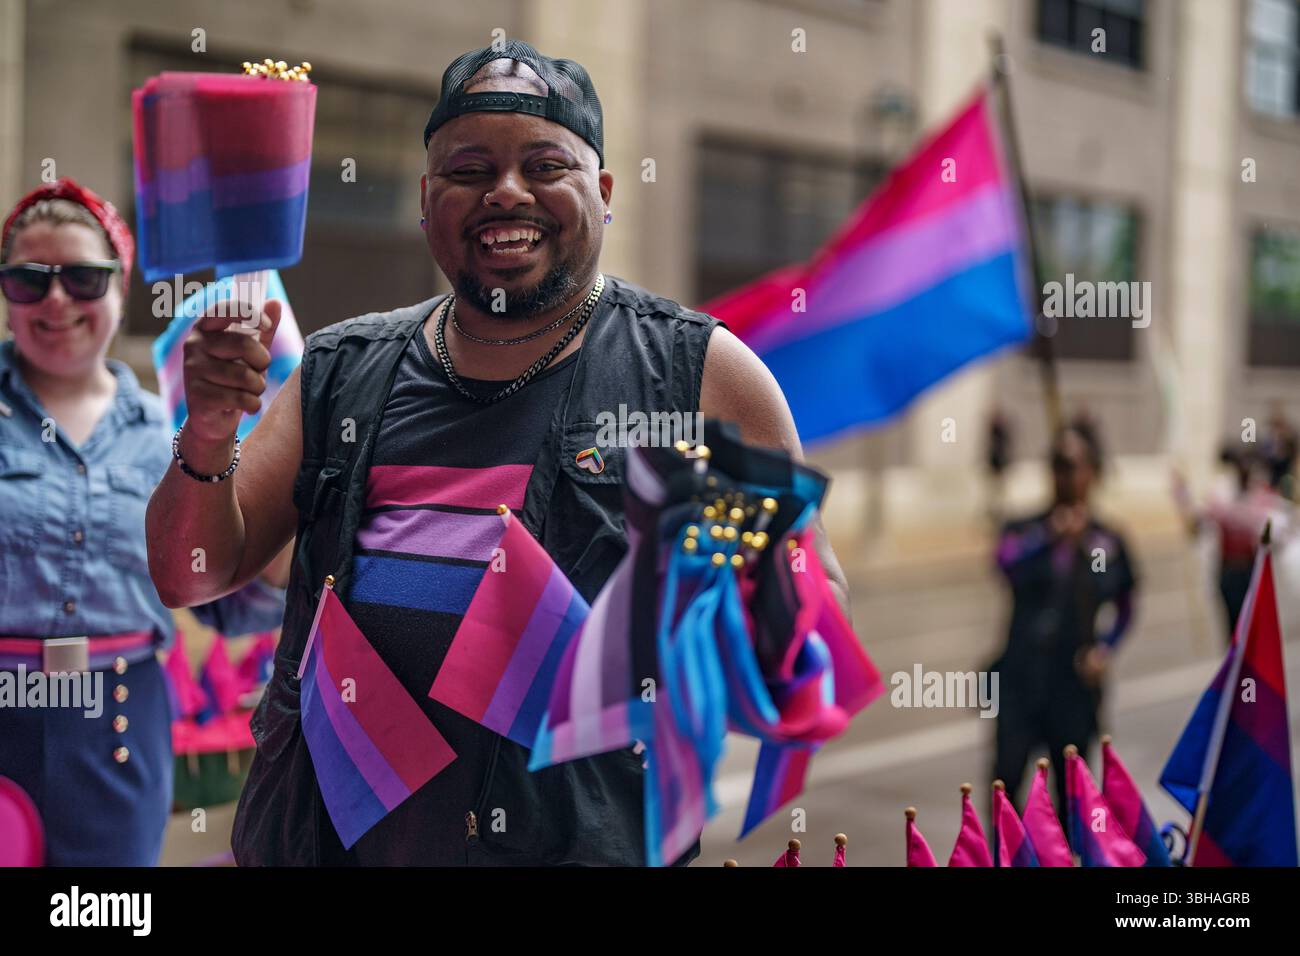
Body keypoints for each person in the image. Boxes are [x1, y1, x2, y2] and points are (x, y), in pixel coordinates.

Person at [145, 41, 851, 867]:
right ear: (426, 200)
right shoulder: (340, 369)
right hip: (326, 838)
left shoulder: (697, 376)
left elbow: (811, 630)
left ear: (606, 192)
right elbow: (190, 574)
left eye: (545, 164)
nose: (506, 192)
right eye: (469, 170)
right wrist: (207, 433)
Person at [0, 178, 288, 865]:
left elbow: (228, 603)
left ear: (122, 286)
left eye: (84, 277)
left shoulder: (177, 430)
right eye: (28, 280)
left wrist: (287, 510)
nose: (58, 299)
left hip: (121, 720)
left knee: (103, 916)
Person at [988, 424, 1138, 821]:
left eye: (1072, 465)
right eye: (1056, 464)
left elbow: (1125, 602)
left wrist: (1105, 648)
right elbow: (1004, 563)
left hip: (1073, 686)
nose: (1064, 475)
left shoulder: (1107, 541)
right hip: (1020, 681)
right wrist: (1050, 536)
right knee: (1004, 789)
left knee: (1073, 801)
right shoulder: (1024, 529)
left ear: (1092, 471)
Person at [1172, 444, 1285, 642]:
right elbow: (1196, 527)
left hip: (1253, 572)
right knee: (1234, 633)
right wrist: (1183, 498)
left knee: (1253, 635)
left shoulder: (1261, 497)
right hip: (1229, 573)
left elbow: (1276, 536)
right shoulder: (1221, 496)